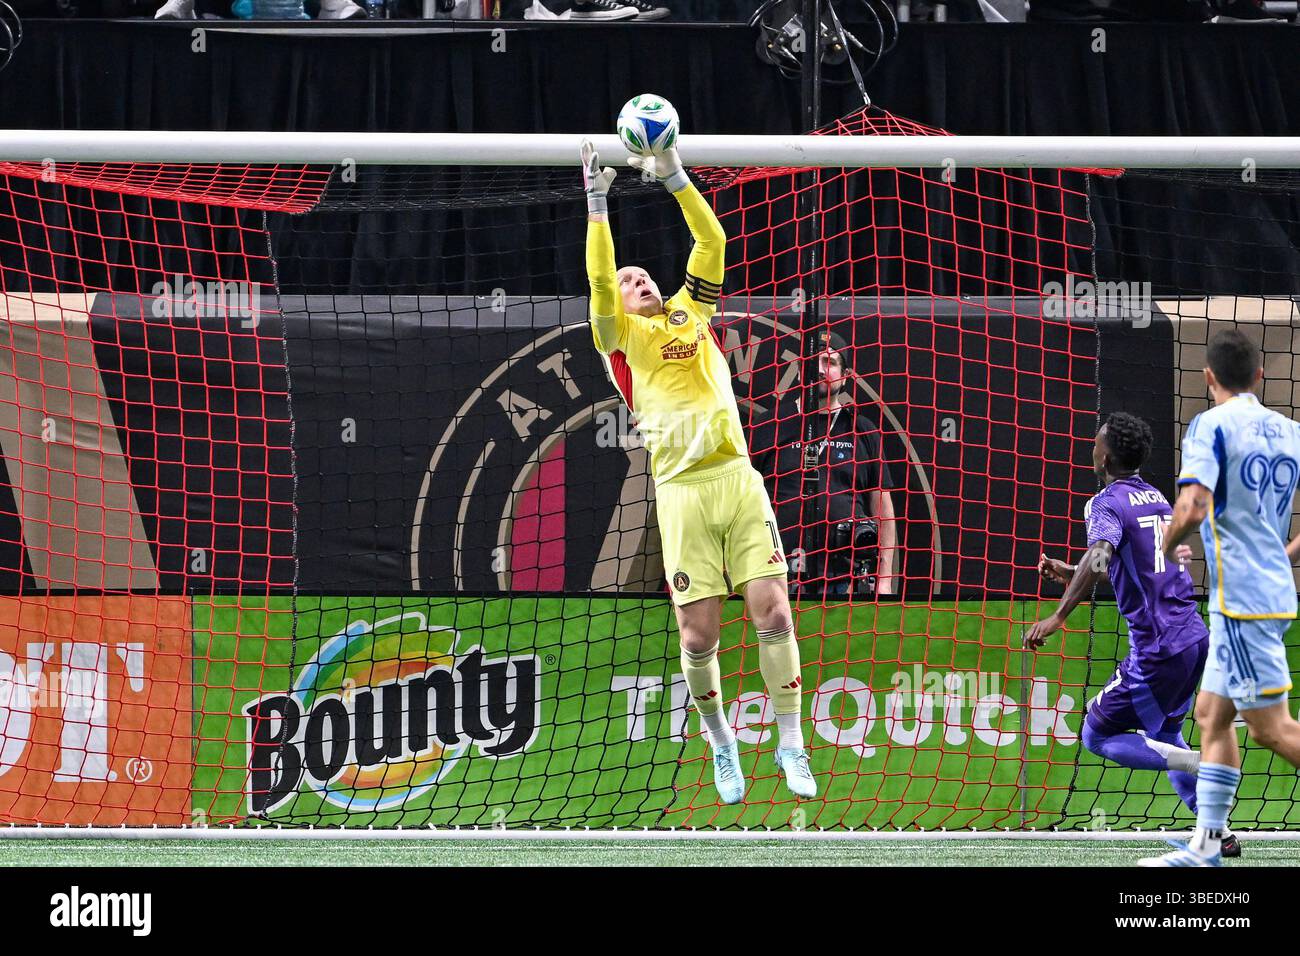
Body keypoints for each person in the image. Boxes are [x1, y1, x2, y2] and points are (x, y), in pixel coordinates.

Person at [581, 139, 816, 804]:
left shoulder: (693, 310)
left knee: (775, 613)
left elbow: (711, 241)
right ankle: (720, 741)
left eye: (643, 275)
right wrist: (597, 204)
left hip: (737, 481)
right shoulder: (618, 340)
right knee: (698, 634)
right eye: (629, 280)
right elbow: (598, 284)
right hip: (681, 493)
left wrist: (675, 176)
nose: (640, 281)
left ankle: (791, 743)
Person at [1023, 413, 1240, 855]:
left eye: (1096, 443)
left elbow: (1101, 553)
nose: (1092, 449)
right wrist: (1071, 571)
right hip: (1193, 639)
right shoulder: (1157, 499)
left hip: (1158, 648)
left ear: (1105, 457)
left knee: (1096, 734)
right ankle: (1217, 832)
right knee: (1167, 734)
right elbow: (1132, 568)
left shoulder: (1104, 503)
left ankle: (1200, 764)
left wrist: (1059, 615)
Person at [1140, 329, 1300, 867]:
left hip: (1245, 602)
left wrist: (1165, 548)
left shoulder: (1210, 425)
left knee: (1271, 729)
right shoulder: (1291, 431)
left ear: (1208, 376)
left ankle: (1205, 847)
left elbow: (1192, 505)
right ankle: (1206, 847)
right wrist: (1283, 554)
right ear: (1260, 375)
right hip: (1259, 593)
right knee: (1211, 714)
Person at [751, 329, 897, 599]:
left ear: (845, 375)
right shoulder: (768, 425)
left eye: (829, 362)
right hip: (774, 572)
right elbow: (741, 499)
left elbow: (883, 510)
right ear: (799, 370)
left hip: (844, 578)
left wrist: (885, 579)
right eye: (812, 361)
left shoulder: (862, 430)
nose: (819, 369)